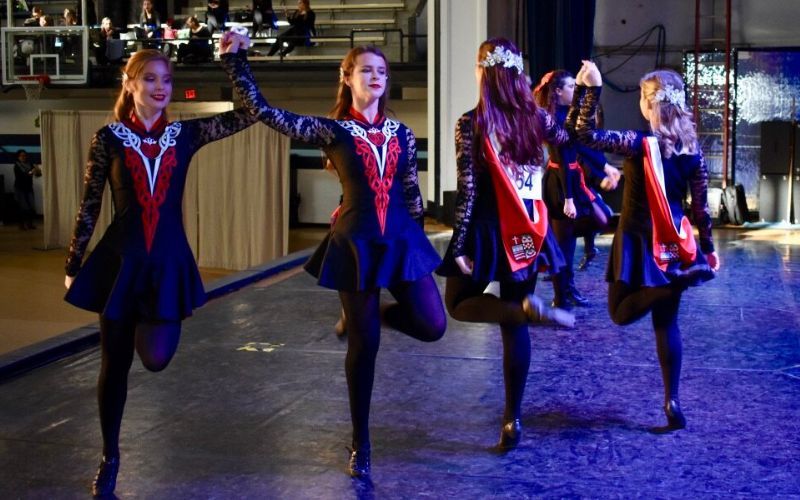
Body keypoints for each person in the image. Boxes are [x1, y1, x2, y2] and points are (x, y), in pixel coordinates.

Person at [220, 33, 447, 478]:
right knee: (366, 348)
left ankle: (376, 313)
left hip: (400, 240)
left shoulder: (402, 132)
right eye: (367, 70)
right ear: (346, 77)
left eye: (382, 71)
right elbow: (266, 113)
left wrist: (421, 241)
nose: (377, 77)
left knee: (433, 324)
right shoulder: (332, 129)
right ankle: (360, 441)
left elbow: (411, 192)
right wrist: (236, 62)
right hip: (356, 243)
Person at [63, 49, 259, 496]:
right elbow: (91, 202)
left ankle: (144, 322)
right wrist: (74, 263)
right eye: (149, 79)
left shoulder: (184, 135)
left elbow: (251, 113)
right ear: (129, 84)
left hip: (168, 264)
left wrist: (236, 61)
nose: (159, 88)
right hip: (120, 264)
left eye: (166, 81)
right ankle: (110, 456)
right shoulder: (108, 137)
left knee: (155, 358)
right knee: (114, 364)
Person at [436, 38, 575, 452]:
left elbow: (469, 187)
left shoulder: (472, 122)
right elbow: (567, 138)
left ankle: (523, 312)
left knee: (459, 304)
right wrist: (584, 97)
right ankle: (512, 419)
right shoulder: (536, 120)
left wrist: (458, 242)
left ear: (482, 72)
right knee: (514, 330)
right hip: (529, 230)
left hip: (486, 228)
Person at [572, 61, 720, 433]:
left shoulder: (639, 144)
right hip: (673, 246)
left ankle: (674, 284)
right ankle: (672, 400)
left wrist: (592, 89)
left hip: (638, 242)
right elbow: (700, 206)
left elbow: (583, 133)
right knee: (666, 324)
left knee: (620, 314)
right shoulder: (692, 152)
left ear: (648, 103)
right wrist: (708, 246)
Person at [534, 69, 618, 309]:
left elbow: (582, 144)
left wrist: (605, 166)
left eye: (575, 86)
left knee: (600, 219)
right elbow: (562, 156)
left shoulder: (569, 115)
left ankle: (567, 288)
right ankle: (562, 296)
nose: (575, 91)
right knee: (564, 245)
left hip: (572, 177)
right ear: (558, 91)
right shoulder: (553, 118)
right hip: (560, 181)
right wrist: (568, 198)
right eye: (571, 86)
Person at [13, 150, 39, 230]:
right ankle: (21, 225)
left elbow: (38, 175)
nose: (24, 157)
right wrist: (32, 171)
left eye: (25, 155)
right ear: (18, 157)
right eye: (21, 156)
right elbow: (23, 176)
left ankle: (29, 224)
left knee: (31, 206)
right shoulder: (16, 165)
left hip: (28, 188)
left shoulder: (30, 164)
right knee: (23, 207)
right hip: (20, 188)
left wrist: (37, 170)